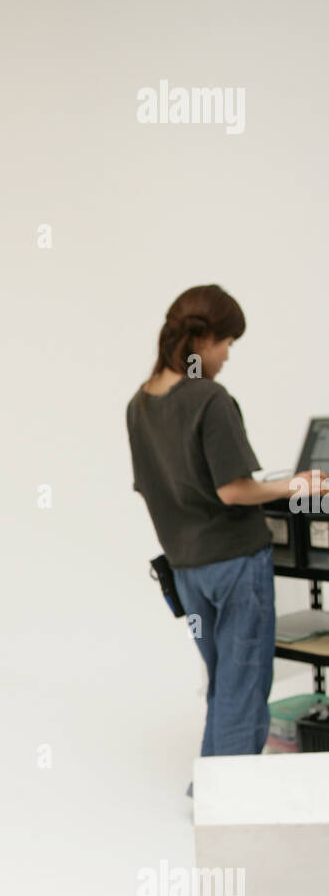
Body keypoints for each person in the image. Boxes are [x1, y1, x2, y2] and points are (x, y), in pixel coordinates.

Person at [125, 283, 327, 788]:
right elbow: (235, 490)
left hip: (187, 570)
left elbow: (149, 489)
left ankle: (209, 788)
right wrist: (297, 484)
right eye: (227, 344)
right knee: (244, 684)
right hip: (236, 563)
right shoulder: (208, 398)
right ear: (204, 338)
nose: (227, 356)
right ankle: (232, 806)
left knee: (224, 681)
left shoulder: (140, 405)